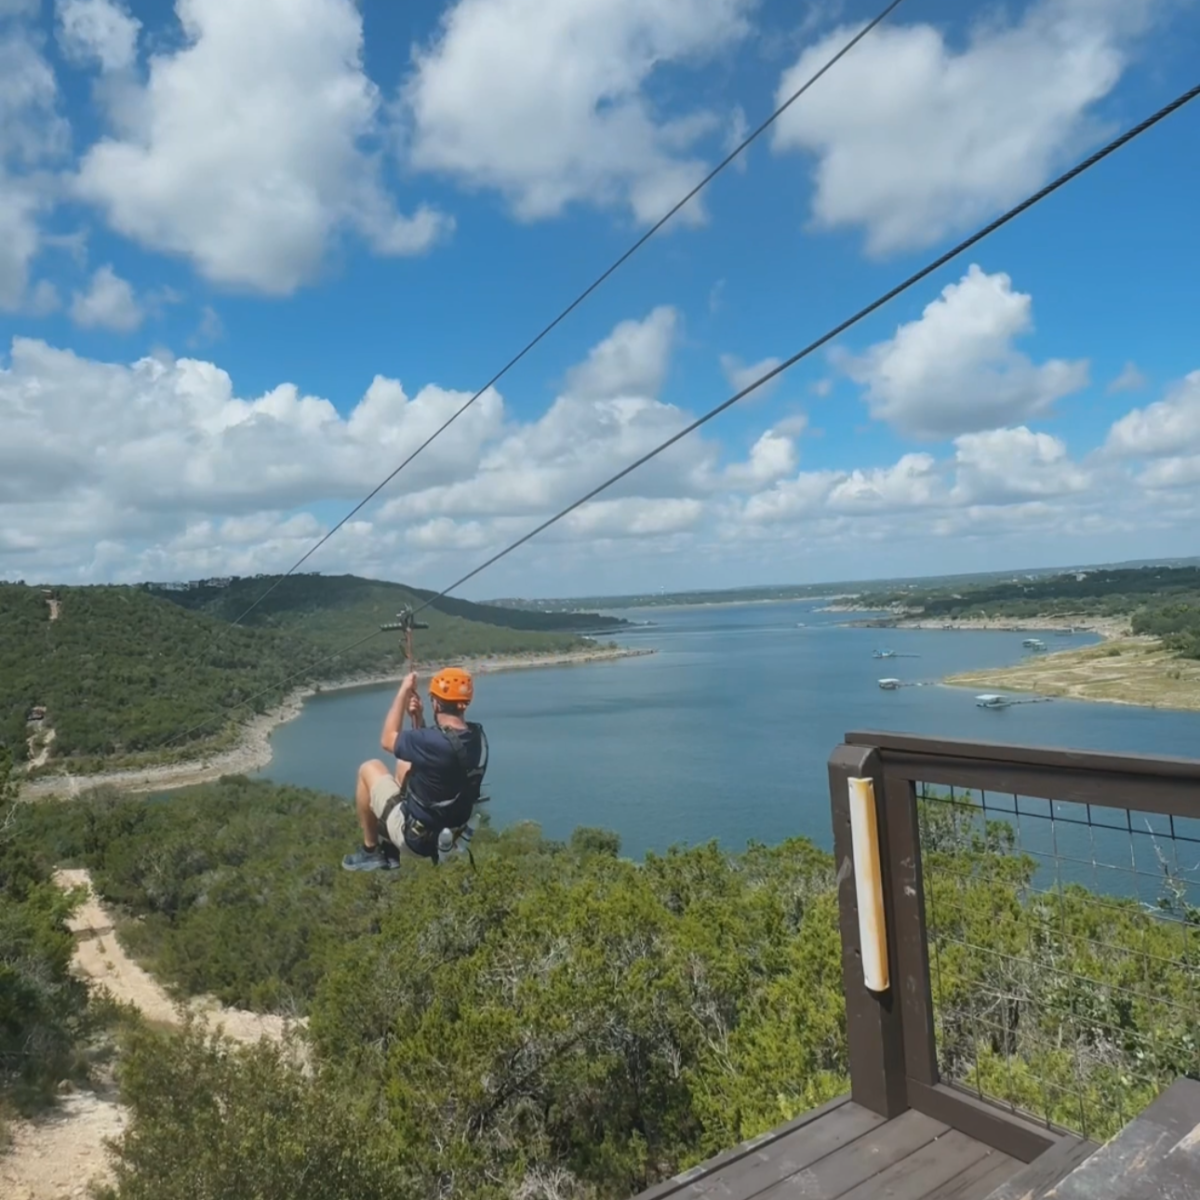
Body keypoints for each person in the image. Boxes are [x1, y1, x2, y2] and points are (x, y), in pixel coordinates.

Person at [342, 667, 488, 871]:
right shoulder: (477, 736)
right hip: (448, 831)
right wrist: (418, 718)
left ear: (436, 703)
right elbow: (435, 753)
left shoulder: (430, 741)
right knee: (404, 763)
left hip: (416, 840)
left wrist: (403, 690)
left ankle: (371, 851)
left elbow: (387, 739)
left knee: (369, 768)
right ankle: (391, 852)